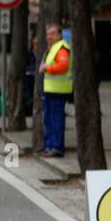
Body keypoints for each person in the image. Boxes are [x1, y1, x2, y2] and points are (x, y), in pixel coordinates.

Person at [39, 22, 71, 158]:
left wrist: (47, 68)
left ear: (59, 35)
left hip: (58, 91)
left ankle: (56, 147)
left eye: (52, 34)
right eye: (47, 34)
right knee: (49, 119)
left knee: (55, 119)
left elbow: (63, 66)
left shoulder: (62, 48)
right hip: (50, 90)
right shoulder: (52, 48)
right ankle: (49, 146)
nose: (49, 37)